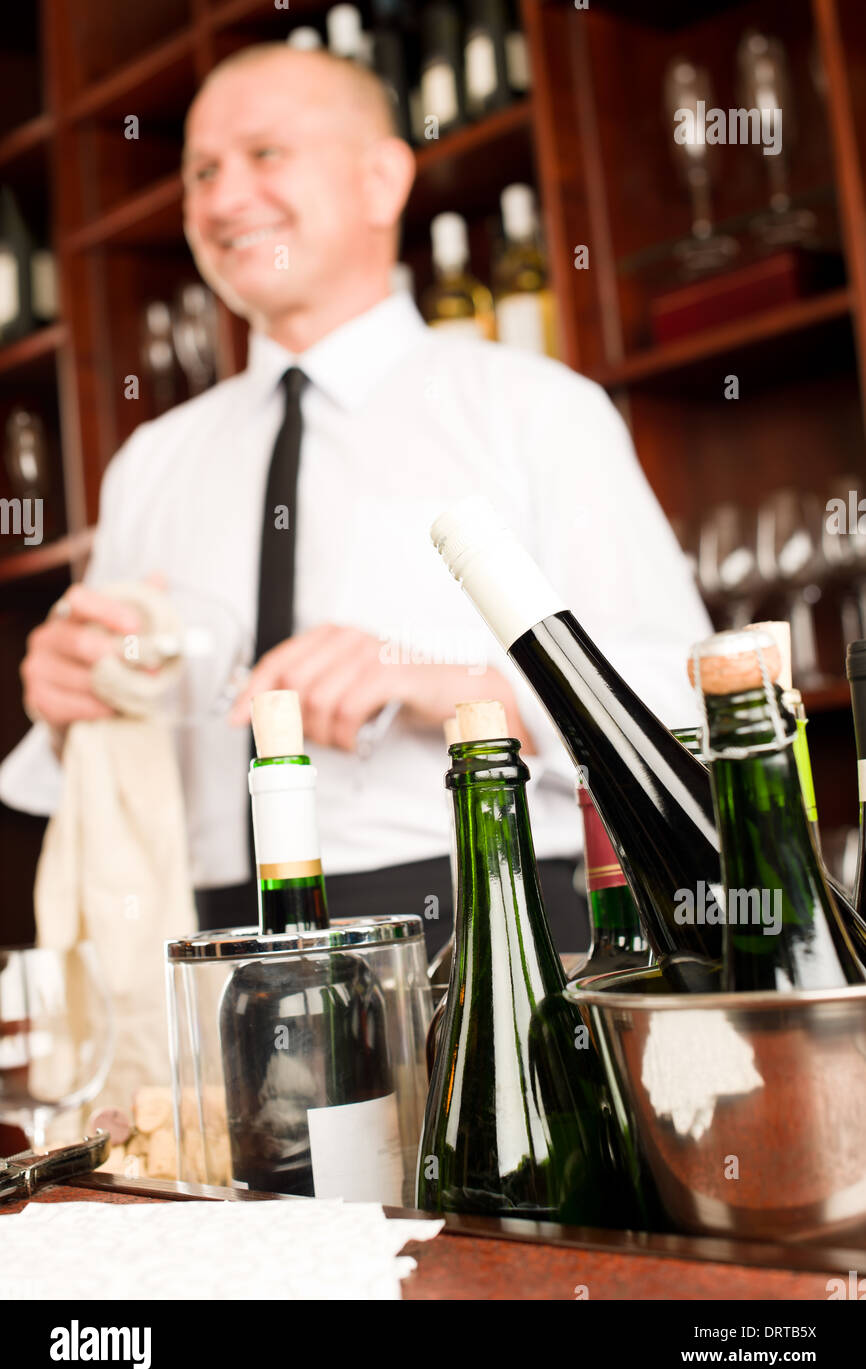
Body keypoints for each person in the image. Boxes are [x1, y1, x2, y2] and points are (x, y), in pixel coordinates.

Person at [0, 46, 710, 959]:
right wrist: (67, 704)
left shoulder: (539, 409)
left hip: (494, 921)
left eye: (265, 155)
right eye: (202, 172)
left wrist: (431, 680)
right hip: (215, 947)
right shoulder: (149, 462)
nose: (222, 201)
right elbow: (122, 744)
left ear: (382, 180)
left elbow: (676, 705)